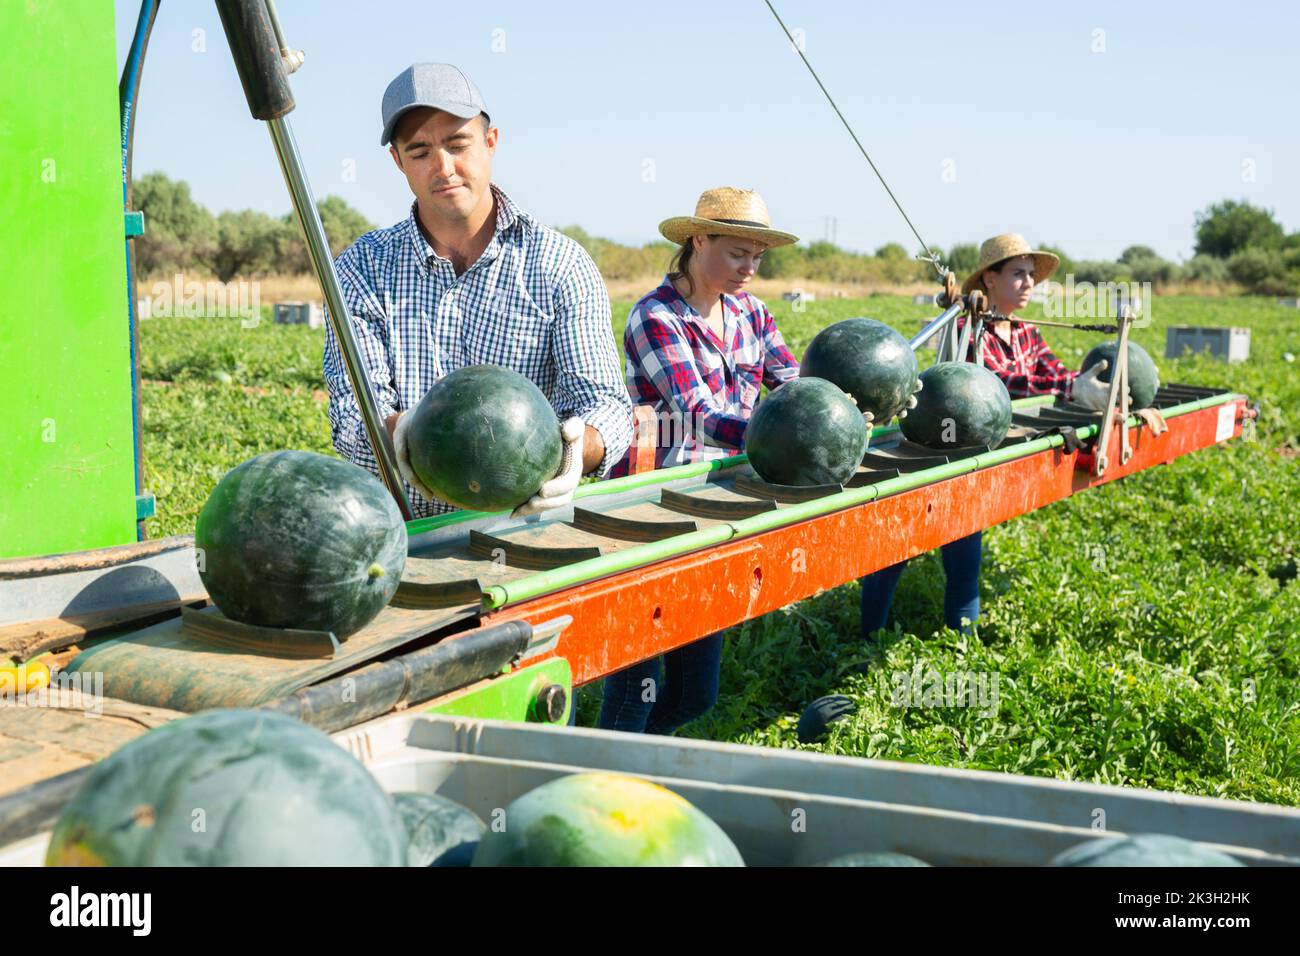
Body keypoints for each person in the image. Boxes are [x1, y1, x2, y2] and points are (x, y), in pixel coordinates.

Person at [322, 63, 633, 518]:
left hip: (526, 534)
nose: (443, 167)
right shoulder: (362, 269)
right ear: (398, 162)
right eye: (420, 150)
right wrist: (404, 431)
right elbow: (354, 414)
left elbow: (605, 404)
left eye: (457, 143)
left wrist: (570, 454)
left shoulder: (559, 265)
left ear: (491, 142)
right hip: (406, 536)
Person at [599, 187, 810, 734]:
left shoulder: (753, 314)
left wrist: (826, 408)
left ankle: (644, 761)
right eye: (738, 253)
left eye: (758, 257)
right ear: (698, 240)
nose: (749, 268)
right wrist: (779, 438)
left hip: (726, 502)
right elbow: (696, 412)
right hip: (659, 509)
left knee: (697, 692)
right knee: (635, 685)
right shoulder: (656, 316)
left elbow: (791, 384)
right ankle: (604, 776)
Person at [859, 234, 1120, 640]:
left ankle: (962, 644)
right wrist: (1070, 391)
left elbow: (1051, 373)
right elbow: (993, 386)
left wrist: (1082, 386)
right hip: (945, 451)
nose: (1028, 283)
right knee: (900, 546)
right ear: (989, 280)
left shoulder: (1027, 333)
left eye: (1032, 275)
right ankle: (867, 635)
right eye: (1018, 274)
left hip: (985, 455)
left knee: (965, 552)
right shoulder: (965, 329)